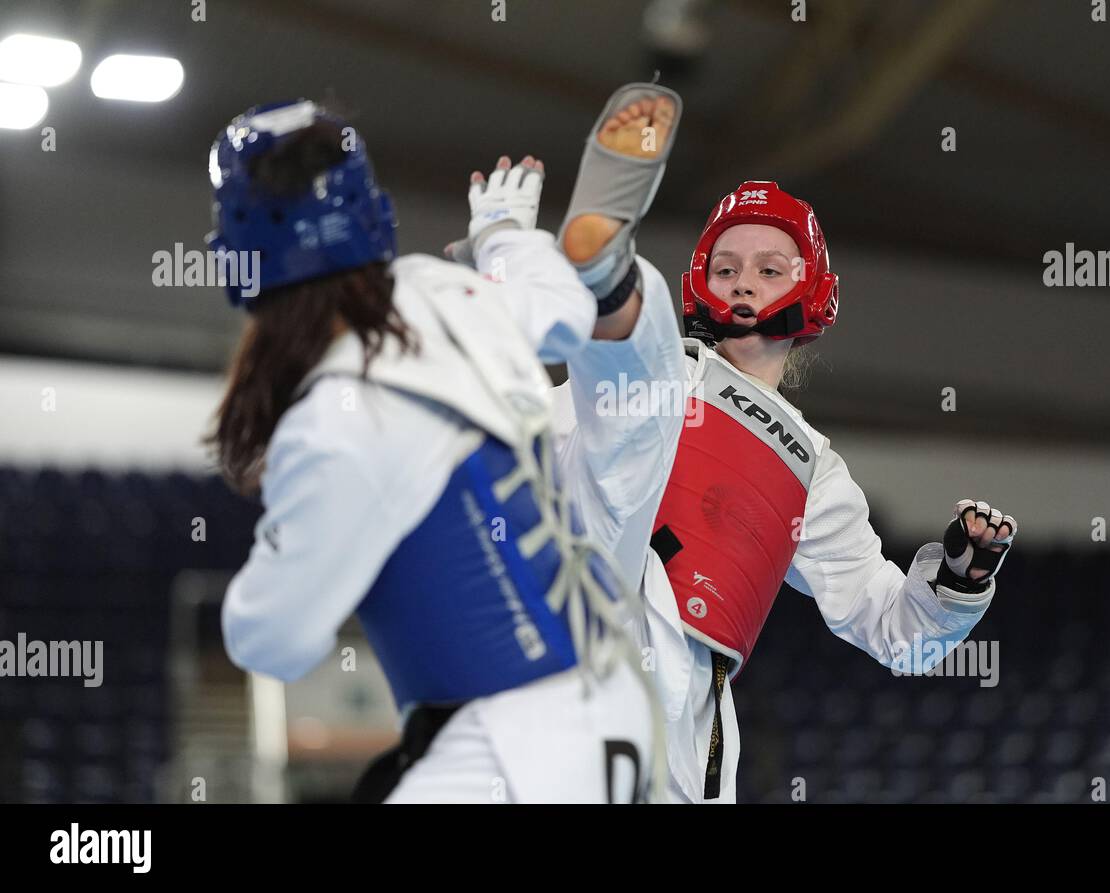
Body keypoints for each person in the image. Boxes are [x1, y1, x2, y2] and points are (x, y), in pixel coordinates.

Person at [208, 86, 684, 803]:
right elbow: (561, 307)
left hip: (515, 752)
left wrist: (283, 543)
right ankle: (618, 269)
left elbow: (271, 640)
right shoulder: (444, 292)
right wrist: (502, 234)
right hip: (612, 706)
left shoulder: (336, 427)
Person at [554, 179, 1021, 803]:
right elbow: (530, 456)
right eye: (726, 268)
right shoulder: (652, 370)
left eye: (769, 269)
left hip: (690, 715)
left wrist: (961, 581)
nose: (743, 283)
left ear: (813, 290)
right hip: (568, 643)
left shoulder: (811, 467)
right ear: (699, 285)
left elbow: (897, 634)